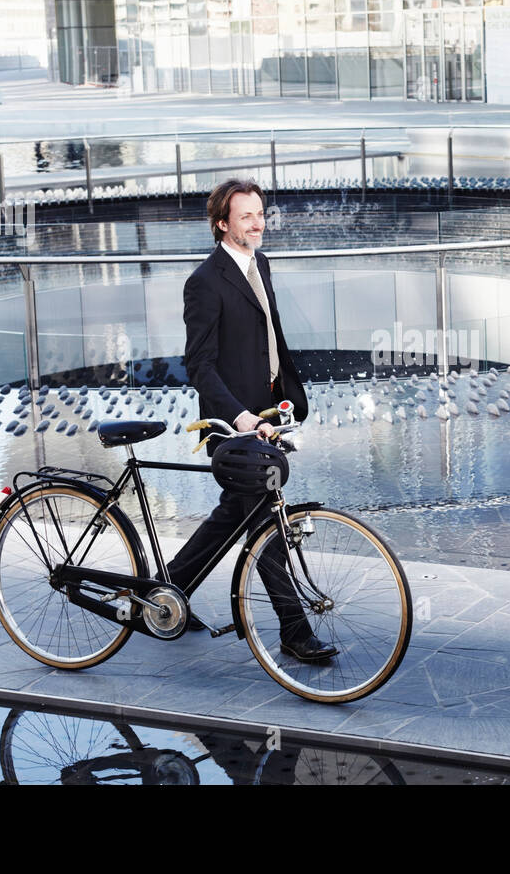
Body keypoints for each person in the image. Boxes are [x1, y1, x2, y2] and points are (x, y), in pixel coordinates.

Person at [165, 178, 335, 662]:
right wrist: (239, 418)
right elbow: (200, 365)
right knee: (265, 524)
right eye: (247, 216)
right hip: (232, 427)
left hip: (266, 419)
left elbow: (269, 340)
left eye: (261, 213)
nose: (259, 223)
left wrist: (285, 401)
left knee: (232, 515)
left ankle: (167, 589)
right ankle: (293, 631)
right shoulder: (203, 282)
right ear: (222, 224)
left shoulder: (261, 262)